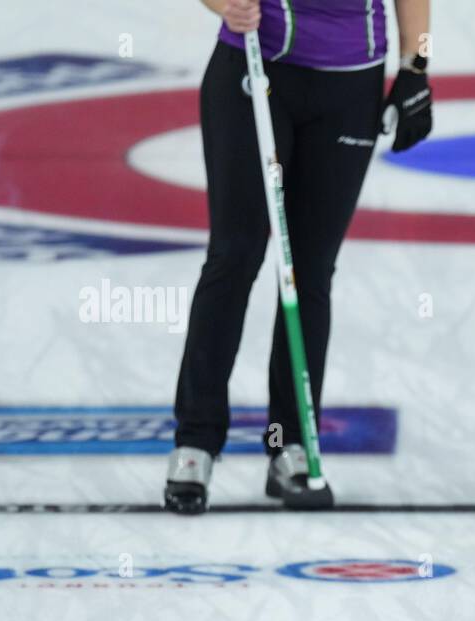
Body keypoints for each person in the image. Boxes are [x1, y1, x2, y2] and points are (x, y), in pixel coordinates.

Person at [165, 0, 433, 514]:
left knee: (309, 271)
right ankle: (196, 441)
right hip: (256, 70)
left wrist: (414, 67)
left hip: (350, 87)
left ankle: (287, 442)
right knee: (235, 255)